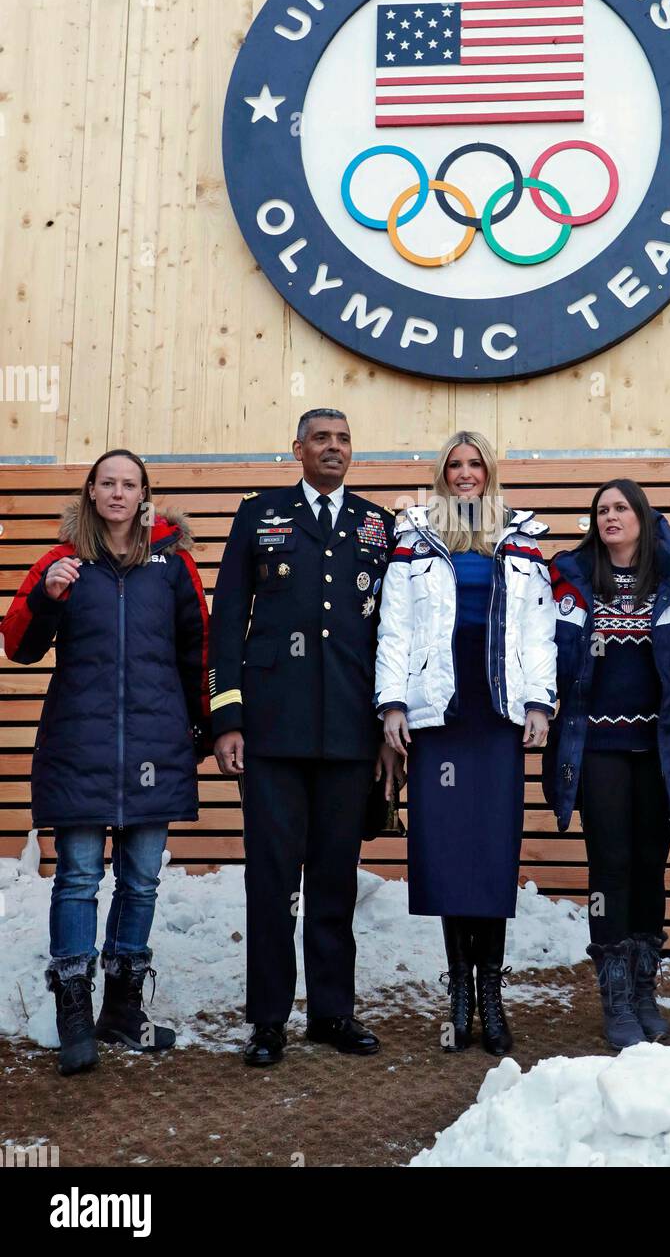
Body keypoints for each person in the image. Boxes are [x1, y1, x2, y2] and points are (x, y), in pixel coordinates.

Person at [0, 450, 210, 1076]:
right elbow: (19, 646)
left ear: (145, 495)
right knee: (79, 877)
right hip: (79, 746)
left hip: (156, 744)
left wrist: (211, 728)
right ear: (91, 492)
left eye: (130, 484)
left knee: (142, 879)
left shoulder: (172, 566)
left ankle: (121, 1011)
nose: (118, 493)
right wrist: (49, 598)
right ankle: (74, 1018)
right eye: (107, 483)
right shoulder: (61, 563)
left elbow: (199, 649)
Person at [209, 409, 403, 1066]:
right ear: (297, 449)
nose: (333, 448)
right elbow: (227, 617)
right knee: (270, 884)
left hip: (349, 733)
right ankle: (267, 1021)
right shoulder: (259, 513)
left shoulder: (378, 524)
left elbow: (392, 634)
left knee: (333, 882)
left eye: (344, 439)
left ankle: (331, 1013)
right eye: (321, 438)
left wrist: (385, 728)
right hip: (270, 732)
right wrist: (227, 717)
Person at [375, 431, 556, 1056]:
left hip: (497, 713)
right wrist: (392, 704)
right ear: (441, 474)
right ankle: (458, 995)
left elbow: (540, 630)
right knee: (451, 851)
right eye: (454, 465)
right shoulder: (414, 536)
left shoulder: (523, 537)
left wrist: (540, 700)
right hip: (440, 714)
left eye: (475, 463)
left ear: (490, 471)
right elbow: (394, 629)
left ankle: (492, 996)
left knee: (491, 850)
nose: (464, 474)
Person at [543, 480, 670, 1050]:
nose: (611, 516)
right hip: (597, 748)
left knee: (649, 866)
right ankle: (615, 1002)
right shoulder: (574, 577)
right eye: (602, 510)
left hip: (661, 748)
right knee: (610, 866)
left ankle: (643, 992)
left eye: (621, 508)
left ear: (643, 516)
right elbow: (551, 657)